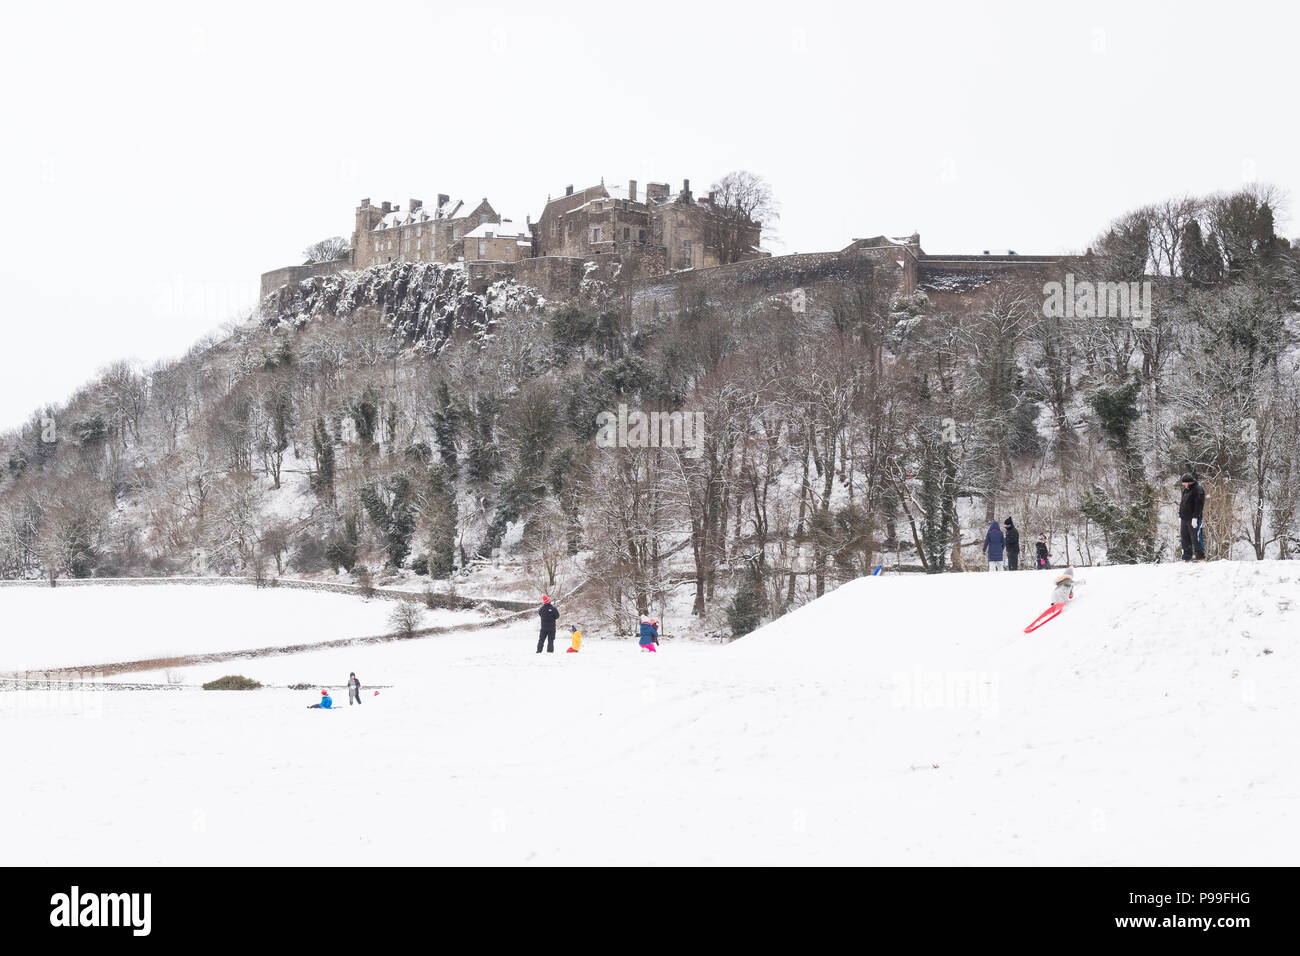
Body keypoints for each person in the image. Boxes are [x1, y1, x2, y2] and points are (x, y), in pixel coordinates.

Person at [1178, 473, 1207, 562]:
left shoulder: (1198, 490)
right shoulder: (1186, 490)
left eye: (1184, 483)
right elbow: (1182, 503)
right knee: (1185, 538)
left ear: (1188, 482)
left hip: (1193, 519)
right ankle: (1187, 558)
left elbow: (1199, 505)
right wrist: (1180, 515)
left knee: (1196, 538)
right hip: (1184, 518)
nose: (1183, 485)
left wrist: (1195, 517)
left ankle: (1200, 558)